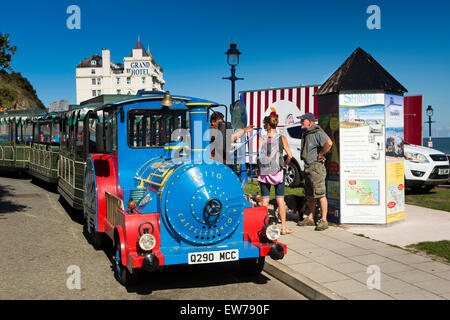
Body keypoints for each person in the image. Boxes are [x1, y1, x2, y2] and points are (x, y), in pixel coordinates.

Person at [258, 113, 293, 235]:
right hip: (278, 172)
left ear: (267, 124)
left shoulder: (262, 137)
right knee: (280, 199)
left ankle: (262, 227)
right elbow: (290, 155)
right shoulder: (281, 138)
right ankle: (283, 228)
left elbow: (259, 155)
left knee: (265, 201)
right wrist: (285, 164)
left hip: (264, 172)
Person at [297, 112, 333, 231]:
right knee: (310, 194)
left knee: (320, 194)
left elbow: (329, 143)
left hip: (316, 167)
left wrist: (321, 153)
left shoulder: (317, 132)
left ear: (310, 121)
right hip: (308, 167)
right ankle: (311, 218)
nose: (301, 122)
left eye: (303, 120)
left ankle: (324, 220)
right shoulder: (307, 133)